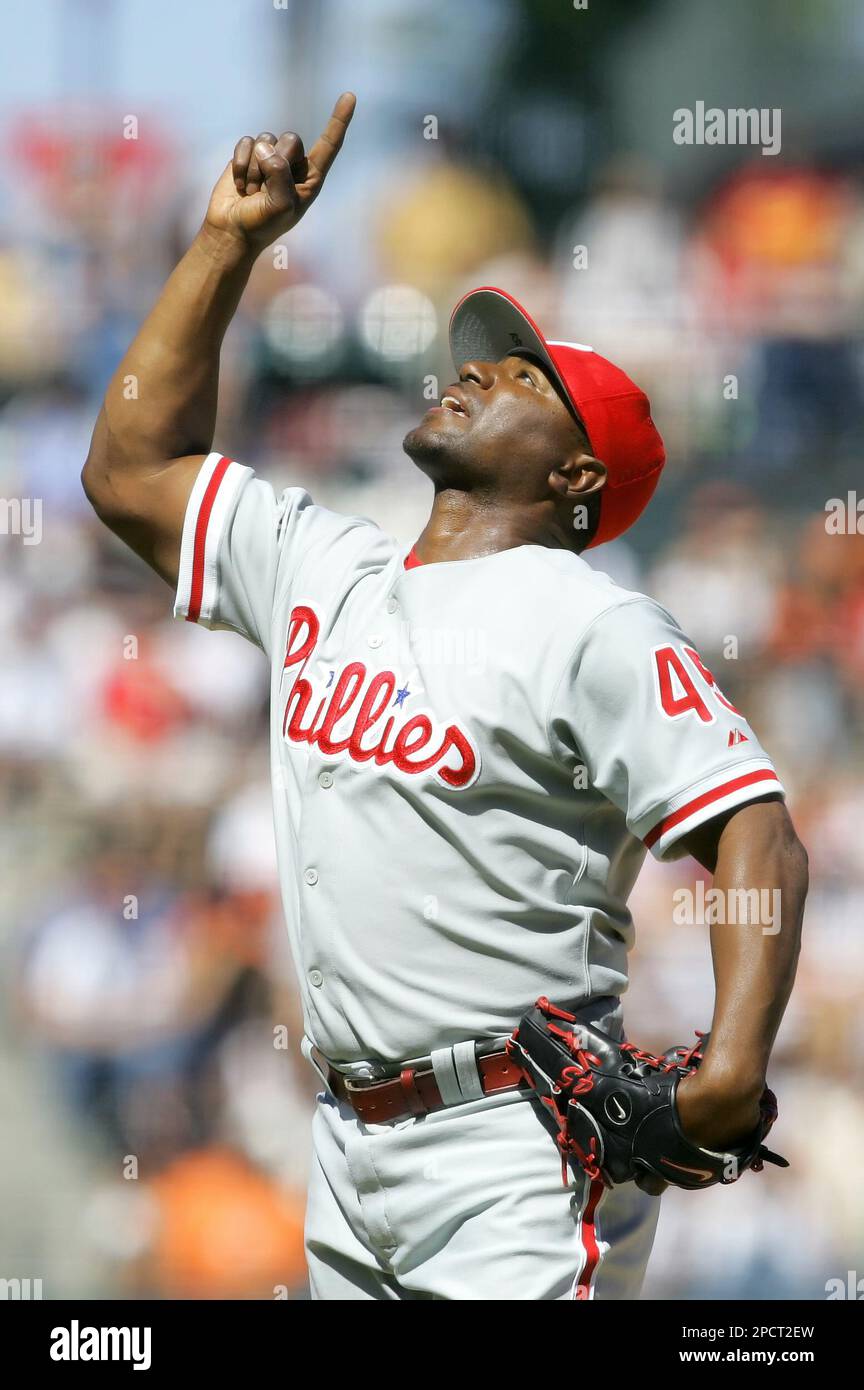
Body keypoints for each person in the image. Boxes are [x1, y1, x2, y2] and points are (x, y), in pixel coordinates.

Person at [83, 94, 808, 1301]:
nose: (473, 373)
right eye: (477, 355)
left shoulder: (594, 618)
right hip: (345, 1143)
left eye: (518, 373)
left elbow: (758, 828)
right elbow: (133, 470)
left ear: (578, 472)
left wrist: (733, 1064)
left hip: (513, 1148)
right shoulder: (329, 562)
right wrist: (228, 246)